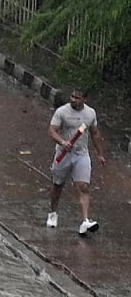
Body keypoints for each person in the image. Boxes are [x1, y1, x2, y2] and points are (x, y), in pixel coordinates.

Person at [47, 87, 107, 235]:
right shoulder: (62, 111)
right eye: (72, 96)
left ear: (84, 100)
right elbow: (52, 130)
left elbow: (94, 133)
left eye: (77, 98)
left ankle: (85, 221)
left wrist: (100, 154)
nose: (73, 100)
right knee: (58, 185)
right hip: (63, 154)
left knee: (84, 187)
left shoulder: (90, 113)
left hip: (81, 155)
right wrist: (62, 142)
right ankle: (53, 213)